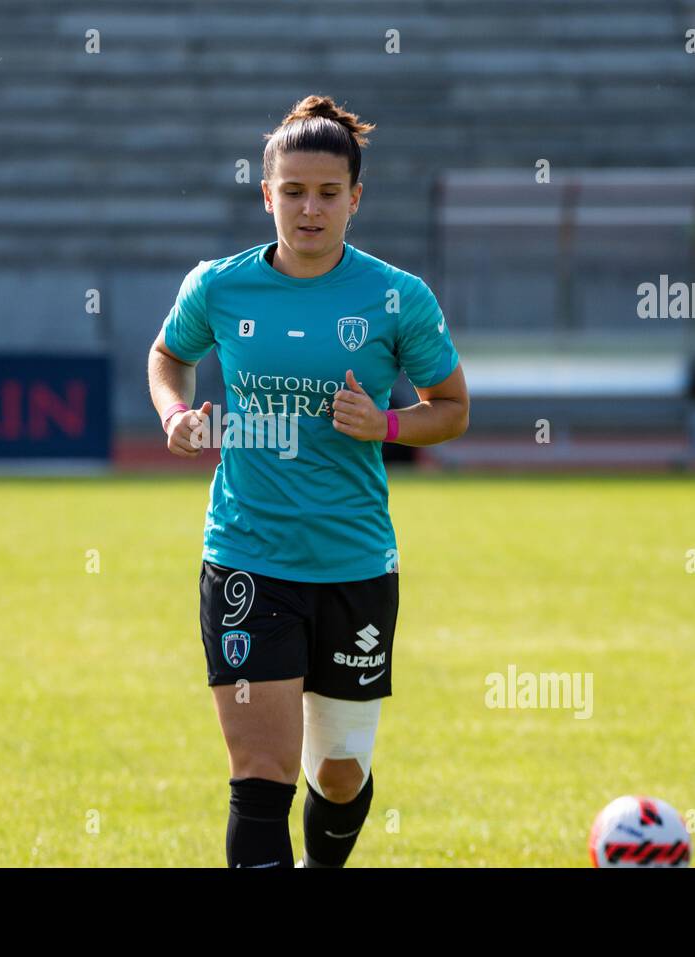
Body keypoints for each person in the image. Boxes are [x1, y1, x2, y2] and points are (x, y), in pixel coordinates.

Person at [147, 94, 469, 867]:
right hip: (248, 559)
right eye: (292, 191)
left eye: (329, 193)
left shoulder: (398, 297)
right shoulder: (218, 286)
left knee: (340, 772)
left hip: (355, 564)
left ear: (356, 198)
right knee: (261, 774)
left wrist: (386, 425)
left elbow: (452, 409)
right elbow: (167, 356)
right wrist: (174, 415)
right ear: (267, 195)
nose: (310, 208)